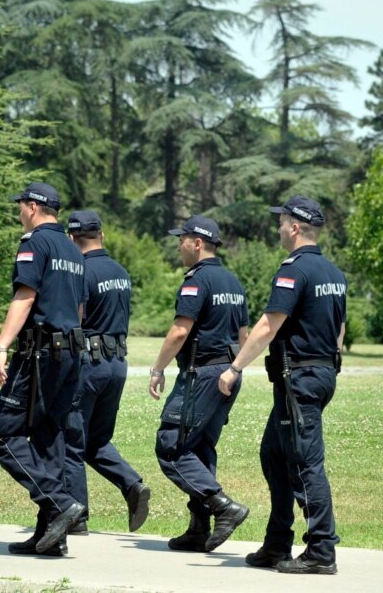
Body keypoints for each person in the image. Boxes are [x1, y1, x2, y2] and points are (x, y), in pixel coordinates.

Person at [216, 196, 346, 575]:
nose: (277, 229)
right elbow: (339, 328)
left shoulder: (294, 270)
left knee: (306, 464)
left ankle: (321, 550)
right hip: (318, 375)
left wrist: (235, 367)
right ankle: (277, 544)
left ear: (293, 227)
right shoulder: (333, 273)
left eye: (280, 222)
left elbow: (269, 325)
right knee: (274, 454)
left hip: (300, 381)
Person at [0, 182, 89, 557]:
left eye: (21, 206)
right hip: (71, 354)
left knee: (2, 434)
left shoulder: (34, 242)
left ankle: (60, 503)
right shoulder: (74, 252)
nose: (19, 212)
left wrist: (1, 347)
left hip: (39, 353)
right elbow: (79, 310)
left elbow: (25, 296)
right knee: (48, 438)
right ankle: (51, 538)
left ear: (32, 207)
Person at [148, 215, 251, 553]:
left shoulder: (196, 280)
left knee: (171, 446)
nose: (178, 246)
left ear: (197, 242)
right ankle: (198, 527)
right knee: (200, 449)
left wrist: (158, 368)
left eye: (182, 240)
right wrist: (235, 370)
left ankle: (223, 507)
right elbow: (244, 336)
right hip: (227, 373)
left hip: (201, 374)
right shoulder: (233, 281)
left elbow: (180, 331)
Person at [62, 210, 151, 535]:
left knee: (71, 438)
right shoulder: (120, 270)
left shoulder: (80, 271)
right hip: (117, 364)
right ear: (101, 234)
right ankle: (131, 485)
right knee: (96, 439)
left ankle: (75, 517)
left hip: (88, 364)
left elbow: (76, 318)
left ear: (72, 238)